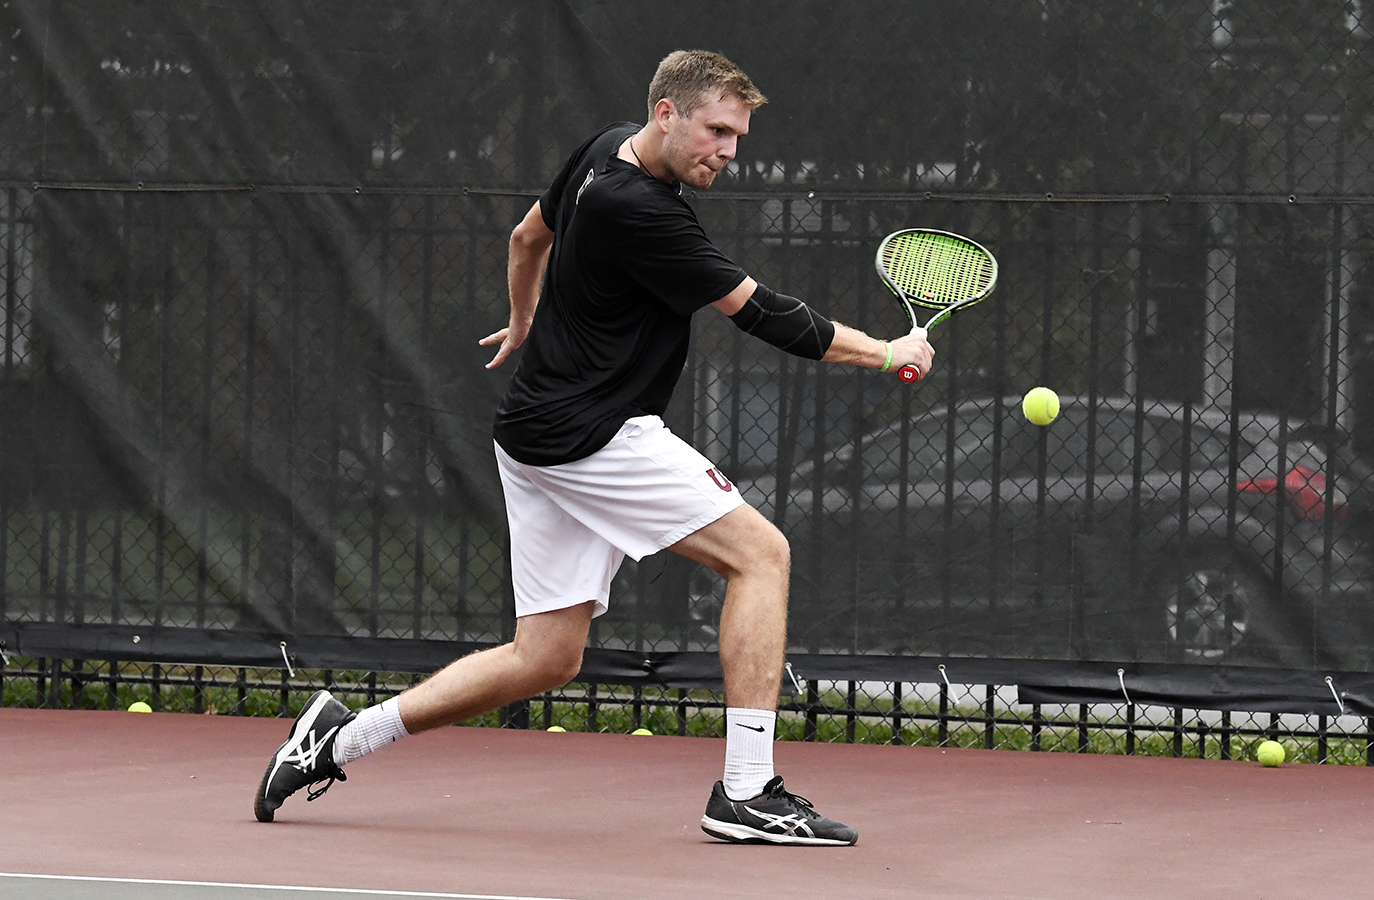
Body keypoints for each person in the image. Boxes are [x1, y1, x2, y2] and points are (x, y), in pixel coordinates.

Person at [253, 49, 933, 846]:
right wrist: (890, 354)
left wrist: (523, 320)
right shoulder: (639, 208)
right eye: (716, 130)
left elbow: (525, 237)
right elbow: (766, 316)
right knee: (761, 555)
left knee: (543, 659)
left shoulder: (600, 149)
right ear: (667, 113)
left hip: (535, 435)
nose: (729, 151)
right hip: (594, 436)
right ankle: (747, 791)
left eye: (739, 137)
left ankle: (335, 740)